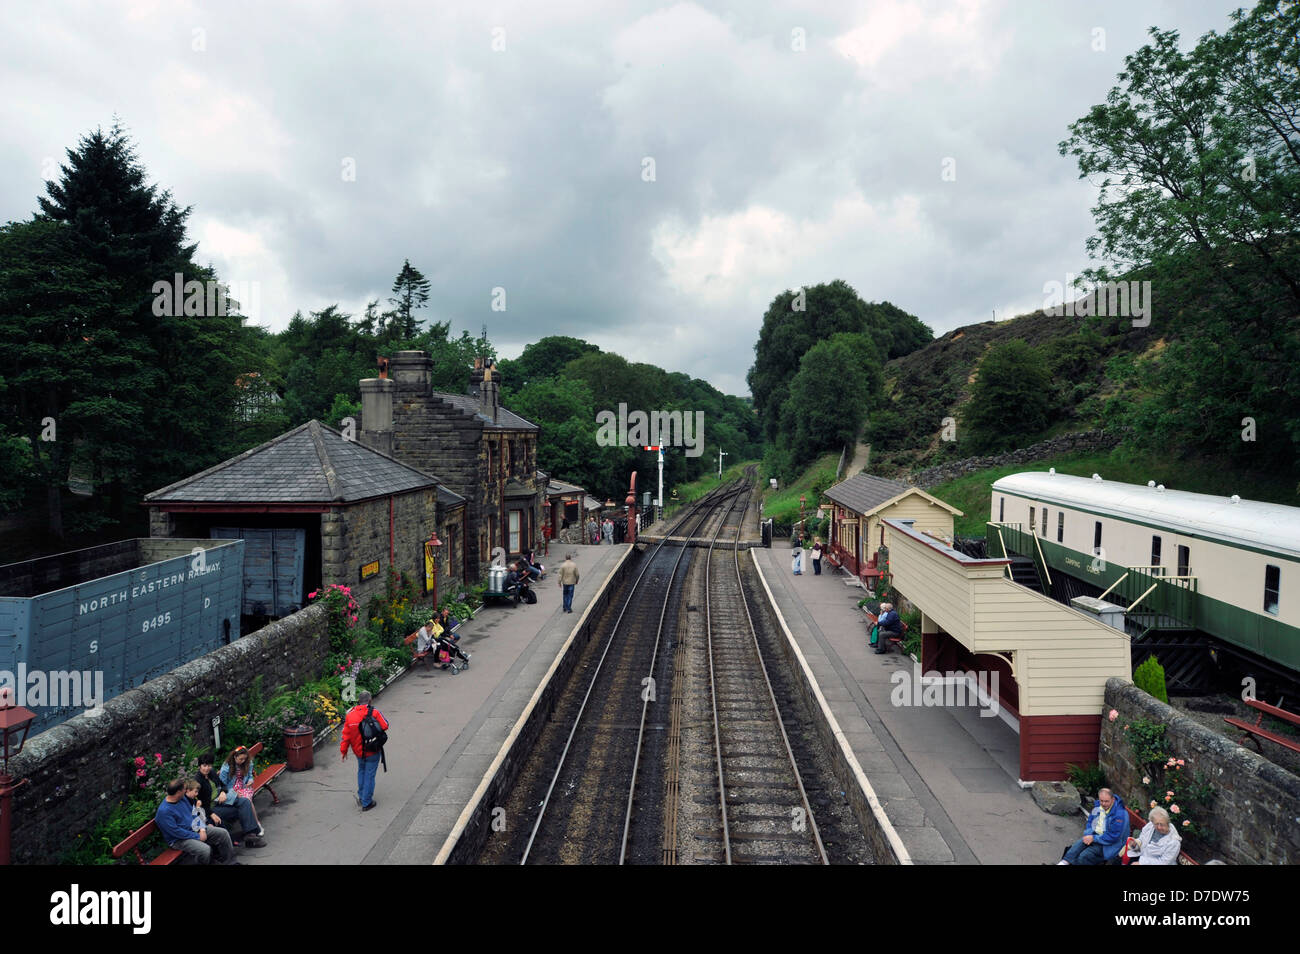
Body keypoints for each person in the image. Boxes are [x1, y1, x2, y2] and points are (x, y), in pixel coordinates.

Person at [155, 777, 236, 864]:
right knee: (205, 850)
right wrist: (198, 836)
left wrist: (202, 828)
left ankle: (230, 862)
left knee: (223, 833)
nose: (186, 791)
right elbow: (176, 832)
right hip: (179, 839)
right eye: (184, 789)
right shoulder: (164, 812)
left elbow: (194, 813)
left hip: (194, 828)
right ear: (178, 792)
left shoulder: (181, 799)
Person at [196, 753, 261, 847]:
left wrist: (223, 792)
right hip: (212, 809)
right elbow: (198, 805)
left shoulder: (211, 773)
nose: (207, 768)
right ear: (199, 766)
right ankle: (250, 836)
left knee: (245, 801)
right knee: (242, 809)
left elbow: (222, 784)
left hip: (222, 801)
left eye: (209, 765)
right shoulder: (198, 781)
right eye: (204, 765)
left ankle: (250, 835)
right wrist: (211, 813)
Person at [340, 690, 389, 811]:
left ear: (358, 701)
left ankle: (362, 796)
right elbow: (385, 725)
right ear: (370, 700)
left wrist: (343, 751)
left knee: (361, 770)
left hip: (358, 751)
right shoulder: (375, 712)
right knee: (369, 774)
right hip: (372, 749)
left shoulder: (350, 715)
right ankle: (367, 802)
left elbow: (346, 735)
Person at [1058, 788, 1128, 864]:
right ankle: (1063, 863)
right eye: (1101, 801)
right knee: (1075, 849)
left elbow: (1113, 836)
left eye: (1106, 801)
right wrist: (1088, 834)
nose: (1103, 804)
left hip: (1108, 844)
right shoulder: (1098, 806)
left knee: (1083, 857)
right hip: (1095, 836)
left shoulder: (1120, 815)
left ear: (1113, 799)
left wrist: (1093, 838)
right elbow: (1090, 821)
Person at [220, 746, 264, 837]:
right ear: (235, 757)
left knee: (246, 799)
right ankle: (256, 825)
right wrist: (232, 793)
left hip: (244, 787)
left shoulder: (248, 762)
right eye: (241, 759)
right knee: (246, 800)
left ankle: (256, 824)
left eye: (245, 759)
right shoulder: (226, 767)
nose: (243, 761)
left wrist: (250, 780)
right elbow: (222, 785)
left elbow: (250, 775)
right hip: (232, 790)